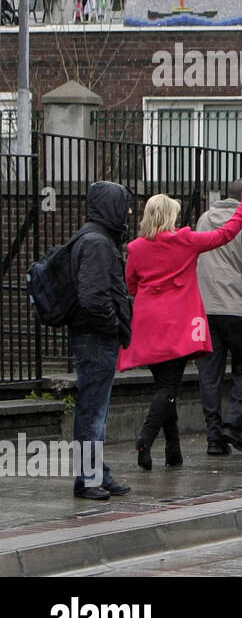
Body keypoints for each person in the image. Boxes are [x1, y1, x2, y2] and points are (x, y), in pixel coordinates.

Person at [118, 183, 242, 469]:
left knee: (164, 384)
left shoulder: (136, 248)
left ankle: (173, 450)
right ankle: (146, 435)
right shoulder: (185, 241)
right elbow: (225, 234)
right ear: (169, 216)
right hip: (177, 324)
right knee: (169, 388)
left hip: (147, 323)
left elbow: (130, 285)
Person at [66, 181, 134, 501]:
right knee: (93, 411)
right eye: (124, 204)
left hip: (95, 336)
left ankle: (98, 473)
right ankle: (88, 478)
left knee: (97, 410)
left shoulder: (96, 238)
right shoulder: (96, 242)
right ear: (111, 206)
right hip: (95, 337)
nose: (129, 211)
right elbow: (94, 297)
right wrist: (113, 325)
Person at [195, 179, 242, 456]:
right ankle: (233, 424)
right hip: (237, 309)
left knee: (209, 375)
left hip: (204, 309)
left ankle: (214, 438)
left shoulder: (204, 220)